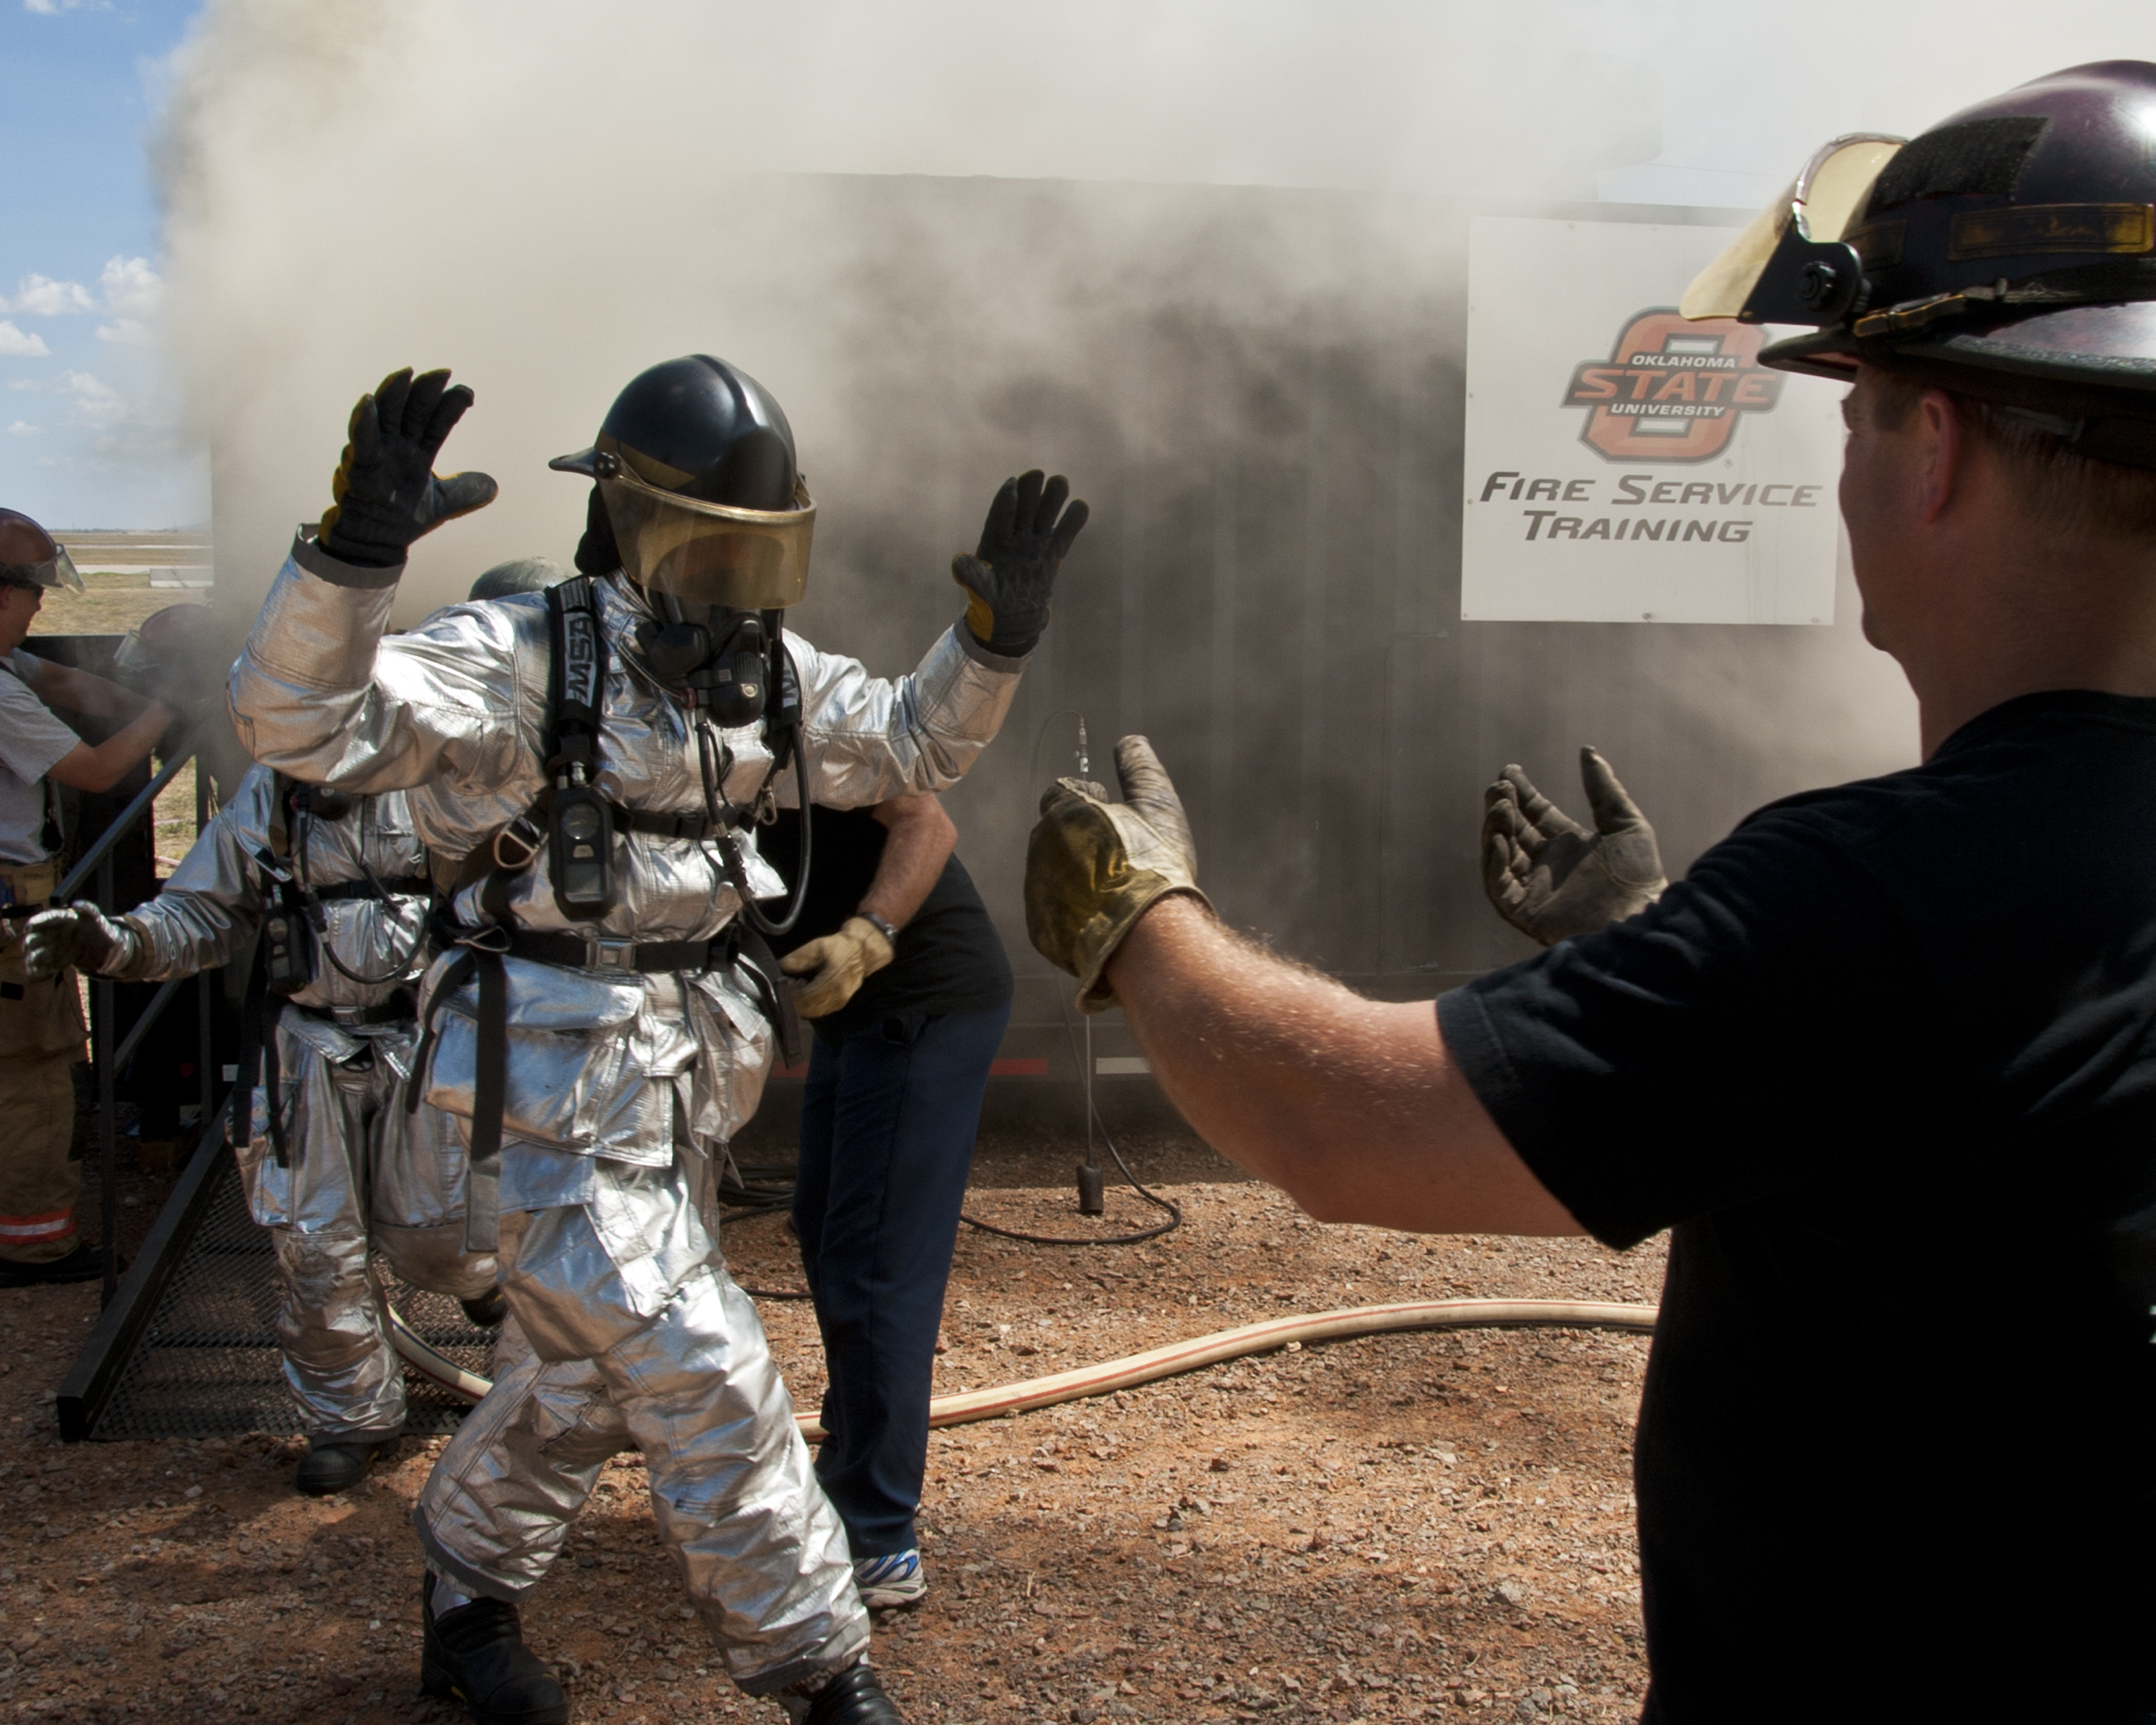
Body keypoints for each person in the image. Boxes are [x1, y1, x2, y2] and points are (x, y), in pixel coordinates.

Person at [1021, 63, 2156, 1724]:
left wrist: (1140, 921)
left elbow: (1345, 1130)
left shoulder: (1870, 898)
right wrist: (1640, 948)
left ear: (1930, 446)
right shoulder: (1925, 925)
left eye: (1848, 412)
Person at [226, 356, 1084, 1725]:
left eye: (756, 552)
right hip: (537, 1102)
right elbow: (294, 721)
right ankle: (823, 1669)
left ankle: (463, 1596)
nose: (728, 581)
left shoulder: (764, 677)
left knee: (579, 1380)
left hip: (681, 1092)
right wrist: (351, 560)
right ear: (625, 522)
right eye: (701, 546)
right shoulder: (518, 658)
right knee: (704, 1362)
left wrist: (989, 646)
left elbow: (910, 752)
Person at [24, 761, 505, 1495]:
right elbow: (202, 912)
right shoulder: (277, 795)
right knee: (314, 1242)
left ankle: (485, 1284)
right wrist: (111, 945)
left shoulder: (456, 771)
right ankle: (350, 1417)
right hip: (304, 1043)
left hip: (430, 1036)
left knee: (447, 1232)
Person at [763, 791, 1013, 1610]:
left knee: (874, 1262)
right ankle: (851, 1471)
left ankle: (877, 1536)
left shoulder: (793, 711)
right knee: (825, 1225)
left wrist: (871, 933)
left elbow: (928, 822)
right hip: (856, 1010)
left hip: (923, 996)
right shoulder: (673, 750)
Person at [0, 510, 172, 1287]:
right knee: (35, 1073)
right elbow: (99, 773)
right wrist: (172, 712)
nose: (40, 608)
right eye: (32, 592)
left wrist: (136, 699)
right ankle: (35, 1246)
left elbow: (63, 679)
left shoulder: (10, 668)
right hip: (11, 905)